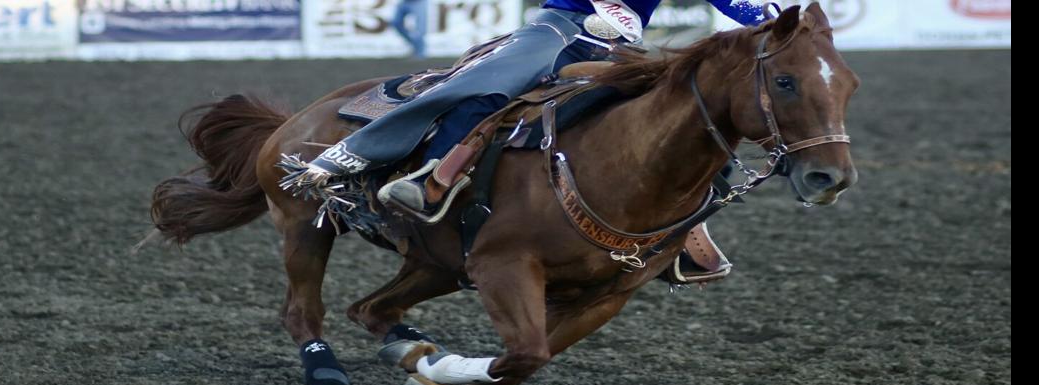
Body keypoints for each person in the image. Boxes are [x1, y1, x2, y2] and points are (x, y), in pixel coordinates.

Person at [296, 1, 775, 284]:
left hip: (620, 46)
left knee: (686, 118)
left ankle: (679, 229)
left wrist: (780, 18)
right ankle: (423, 172)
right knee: (493, 83)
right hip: (559, 24)